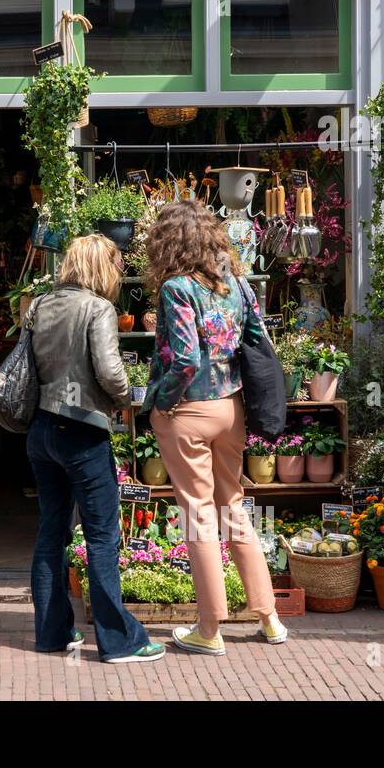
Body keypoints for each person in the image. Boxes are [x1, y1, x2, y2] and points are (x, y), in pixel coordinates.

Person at [143, 199, 286, 656]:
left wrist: (161, 405)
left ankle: (209, 627)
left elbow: (184, 359)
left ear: (169, 241)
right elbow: (257, 343)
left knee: (199, 516)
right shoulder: (237, 284)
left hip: (189, 410)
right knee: (233, 507)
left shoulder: (176, 288)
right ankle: (270, 618)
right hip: (231, 407)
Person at [26, 234, 165, 663]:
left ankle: (52, 633)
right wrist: (129, 398)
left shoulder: (40, 304)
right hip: (83, 429)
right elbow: (109, 370)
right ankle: (119, 642)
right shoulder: (98, 308)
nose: (121, 275)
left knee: (52, 532)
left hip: (41, 429)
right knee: (103, 535)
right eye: (118, 267)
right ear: (102, 268)